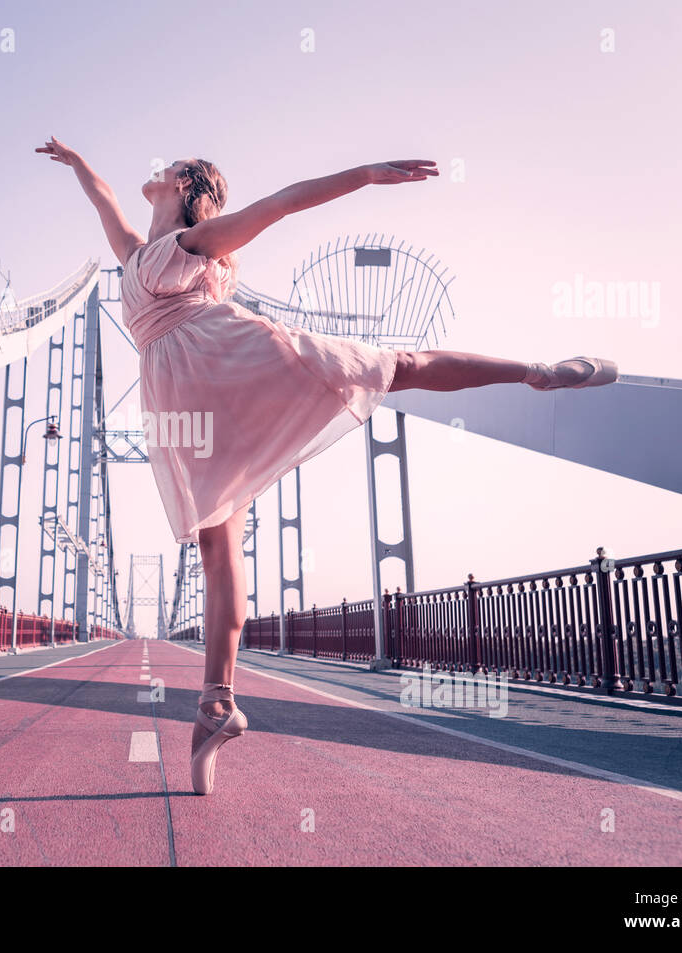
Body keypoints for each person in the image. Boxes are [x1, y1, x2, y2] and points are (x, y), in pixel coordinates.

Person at [36, 137, 616, 795]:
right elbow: (105, 199)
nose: (156, 169)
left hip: (204, 379)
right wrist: (79, 161)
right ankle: (214, 702)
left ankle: (535, 372)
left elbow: (282, 204)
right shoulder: (138, 253)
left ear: (186, 188)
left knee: (385, 379)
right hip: (197, 388)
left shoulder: (192, 245)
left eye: (168, 168)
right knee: (230, 542)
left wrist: (365, 175)